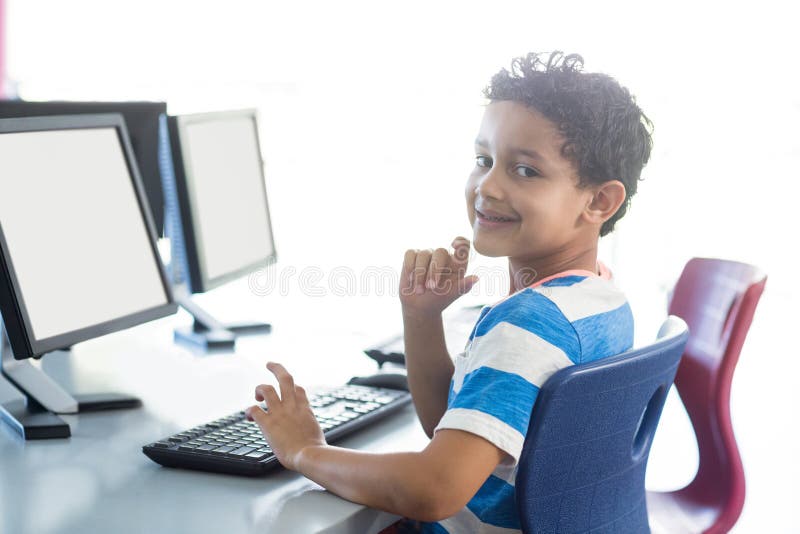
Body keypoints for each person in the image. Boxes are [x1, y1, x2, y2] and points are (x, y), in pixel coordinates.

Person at [246, 51, 653, 533]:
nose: (488, 187)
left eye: (525, 170)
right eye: (484, 160)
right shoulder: (600, 299)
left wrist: (304, 452)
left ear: (600, 201)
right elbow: (451, 427)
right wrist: (422, 317)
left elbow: (436, 487)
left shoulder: (528, 326)